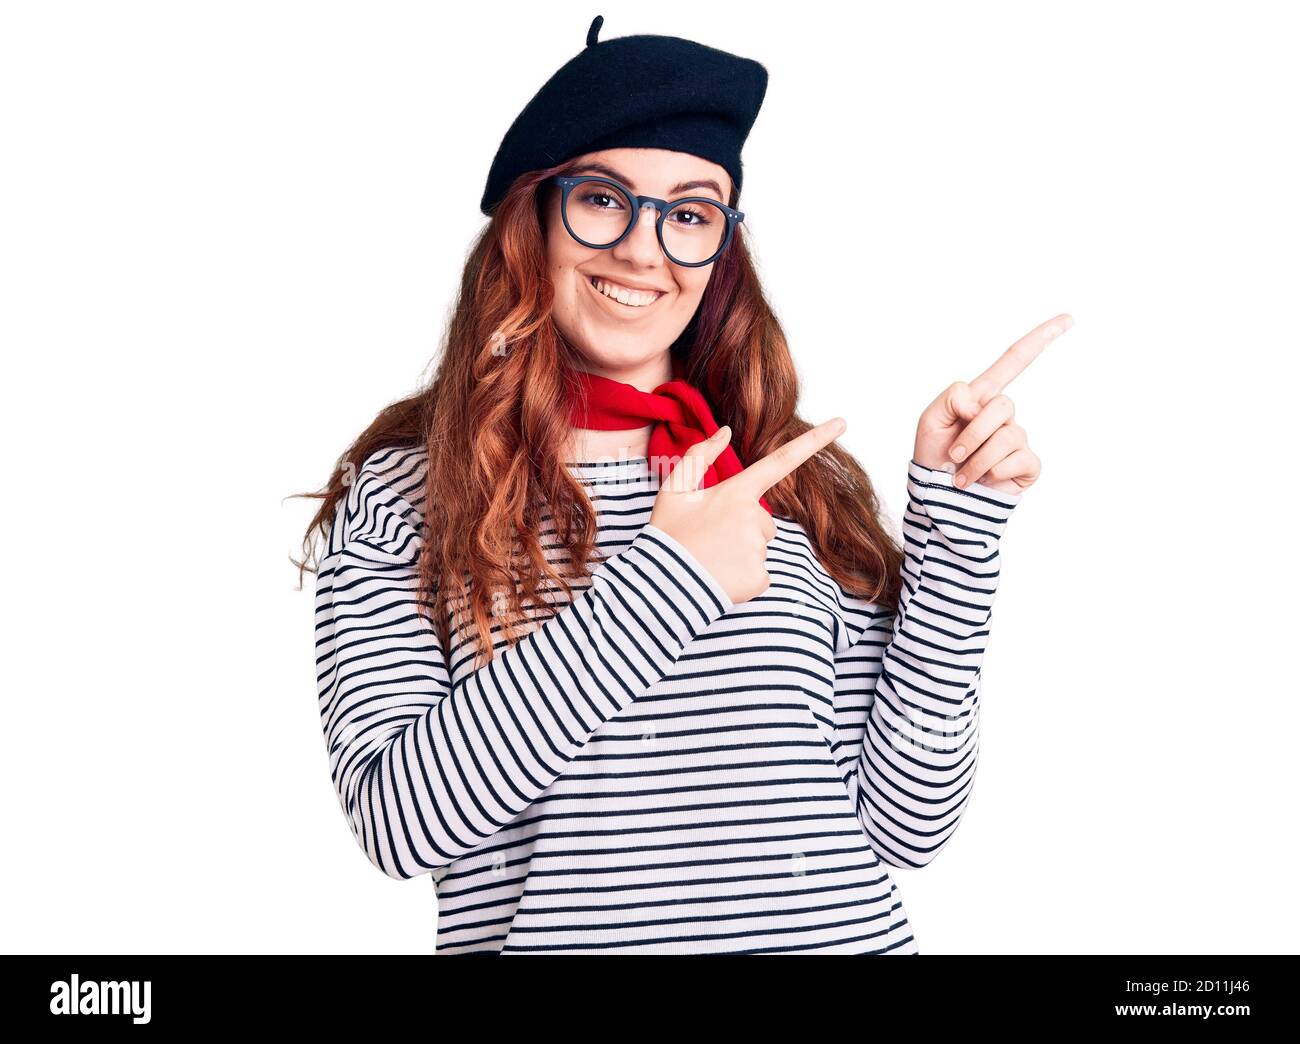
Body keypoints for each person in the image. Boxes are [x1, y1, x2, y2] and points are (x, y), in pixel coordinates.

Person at [300, 15, 1063, 954]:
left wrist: (958, 534)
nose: (641, 250)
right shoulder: (410, 494)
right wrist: (666, 582)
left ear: (722, 247)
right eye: (601, 199)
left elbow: (906, 824)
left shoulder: (790, 477)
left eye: (690, 213)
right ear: (534, 216)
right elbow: (398, 823)